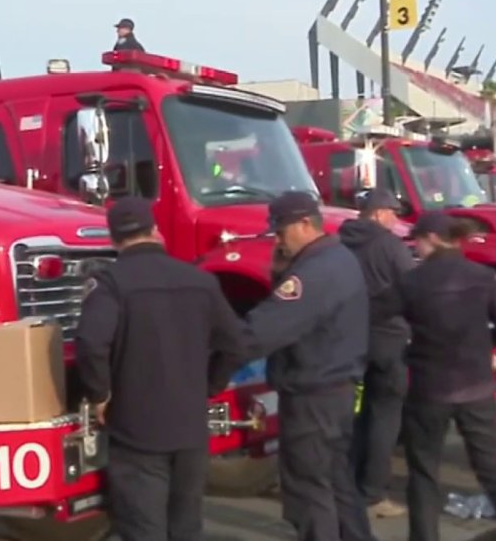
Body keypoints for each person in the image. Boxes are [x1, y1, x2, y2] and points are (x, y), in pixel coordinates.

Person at [76, 196, 250, 541]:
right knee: (186, 526)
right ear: (156, 231)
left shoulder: (111, 284)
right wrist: (210, 386)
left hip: (136, 431)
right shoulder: (200, 281)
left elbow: (90, 343)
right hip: (189, 428)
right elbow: (236, 343)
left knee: (143, 529)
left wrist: (101, 394)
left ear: (114, 240)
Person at [398, 212, 496, 541]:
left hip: (429, 388)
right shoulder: (484, 276)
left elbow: (393, 328)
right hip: (477, 386)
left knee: (424, 472)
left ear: (433, 238)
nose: (416, 248)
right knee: (493, 468)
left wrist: (410, 353)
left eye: (418, 241)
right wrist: (482, 348)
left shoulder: (410, 281)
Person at [237, 191, 375, 541]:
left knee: (309, 492)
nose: (278, 241)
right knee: (338, 483)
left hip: (313, 395)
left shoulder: (313, 272)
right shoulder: (340, 258)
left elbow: (262, 330)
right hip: (338, 390)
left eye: (281, 233)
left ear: (304, 224)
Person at [340, 188, 413, 519]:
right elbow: (411, 288)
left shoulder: (340, 243)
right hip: (389, 341)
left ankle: (348, 482)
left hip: (350, 341)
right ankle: (373, 493)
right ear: (380, 213)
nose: (396, 219)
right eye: (393, 213)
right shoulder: (389, 245)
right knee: (385, 415)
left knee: (356, 413)